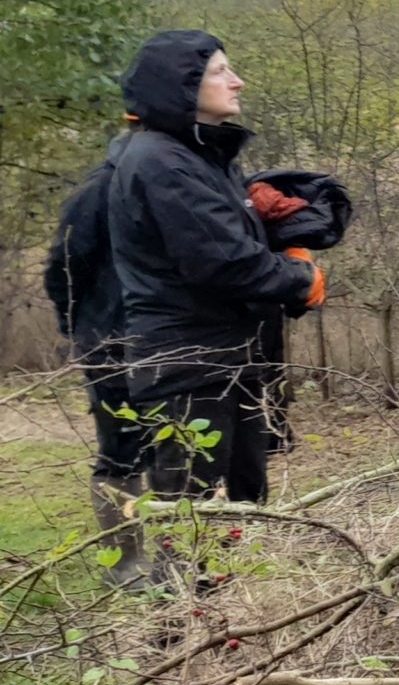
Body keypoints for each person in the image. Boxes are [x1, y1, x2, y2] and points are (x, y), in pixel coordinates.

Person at [107, 32, 326, 506]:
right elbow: (224, 263)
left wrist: (278, 223)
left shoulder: (203, 157)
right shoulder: (161, 161)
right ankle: (186, 583)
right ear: (181, 87)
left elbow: (224, 240)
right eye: (220, 71)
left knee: (242, 512)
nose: (238, 82)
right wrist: (302, 279)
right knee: (191, 523)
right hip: (189, 370)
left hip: (228, 360)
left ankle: (225, 582)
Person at [44, 123, 157, 588]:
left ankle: (184, 564)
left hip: (169, 339)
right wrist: (83, 330)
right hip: (111, 343)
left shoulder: (181, 181)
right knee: (121, 455)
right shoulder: (100, 188)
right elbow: (62, 268)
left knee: (177, 450)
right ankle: (125, 567)